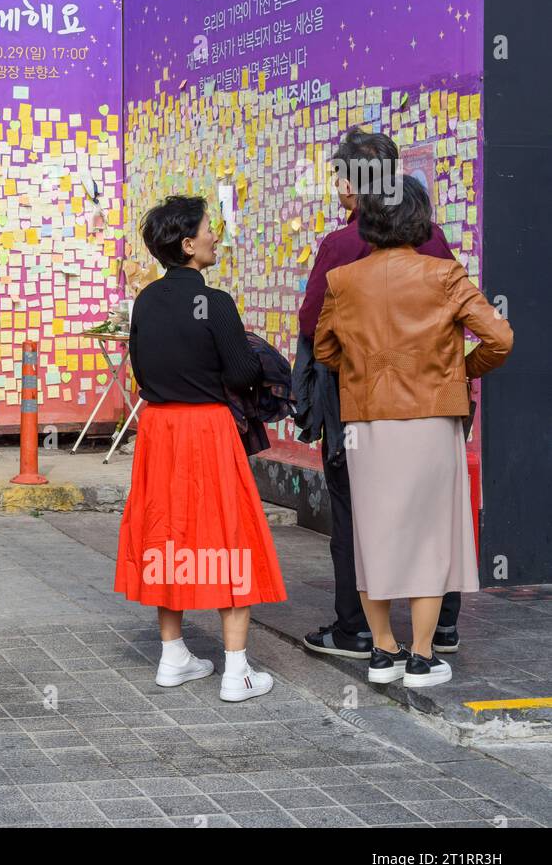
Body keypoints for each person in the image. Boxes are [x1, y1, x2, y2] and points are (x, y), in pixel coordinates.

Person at [314, 175, 512, 688]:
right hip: (431, 419)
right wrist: (460, 370)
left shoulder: (344, 280)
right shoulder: (445, 275)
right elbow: (500, 337)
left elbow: (324, 351)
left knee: (372, 535)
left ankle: (382, 652)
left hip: (367, 421)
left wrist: (362, 370)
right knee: (430, 537)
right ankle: (422, 657)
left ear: (369, 219)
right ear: (420, 219)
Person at [297, 128, 462, 662]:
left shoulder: (343, 244)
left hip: (362, 403)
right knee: (434, 512)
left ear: (351, 182)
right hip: (433, 400)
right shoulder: (432, 236)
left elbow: (311, 325)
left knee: (357, 512)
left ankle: (360, 630)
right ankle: (440, 629)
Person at [115, 196, 287, 702]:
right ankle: (237, 671)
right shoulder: (216, 303)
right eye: (210, 230)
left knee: (166, 532)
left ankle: (173, 656)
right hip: (209, 430)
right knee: (228, 535)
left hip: (159, 430)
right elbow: (241, 372)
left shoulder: (145, 301)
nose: (217, 237)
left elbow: (142, 373)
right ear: (189, 244)